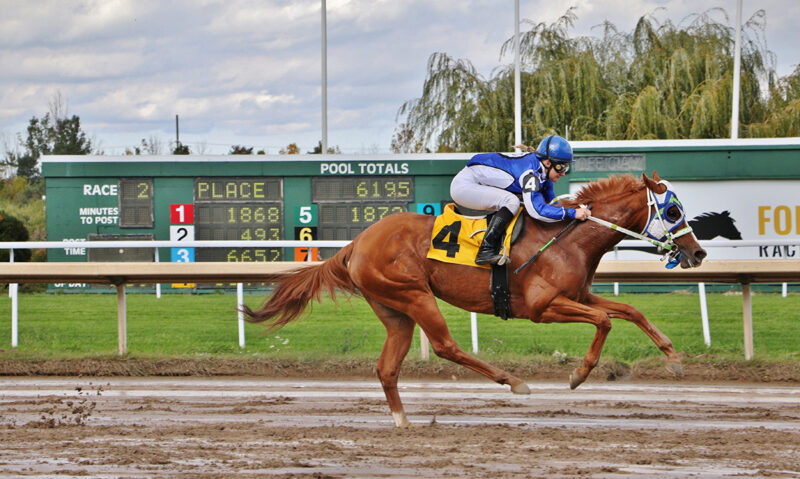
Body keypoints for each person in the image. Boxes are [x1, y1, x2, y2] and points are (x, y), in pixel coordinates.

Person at [449, 135, 592, 265]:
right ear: (548, 162)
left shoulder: (543, 171)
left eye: (566, 167)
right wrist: (573, 213)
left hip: (477, 181)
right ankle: (486, 250)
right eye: (561, 167)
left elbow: (552, 203)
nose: (563, 173)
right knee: (511, 201)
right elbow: (537, 211)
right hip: (465, 185)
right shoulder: (530, 174)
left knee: (514, 201)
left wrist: (574, 212)